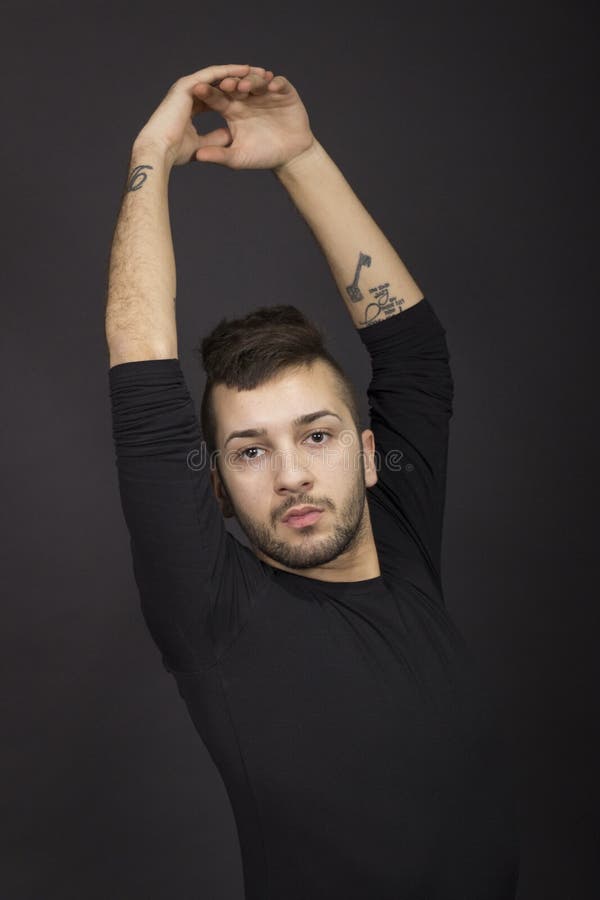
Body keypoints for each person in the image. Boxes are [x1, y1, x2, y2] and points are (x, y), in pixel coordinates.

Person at [105, 63, 521, 899]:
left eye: (318, 435)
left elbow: (414, 356)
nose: (293, 475)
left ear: (369, 454)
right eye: (250, 451)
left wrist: (299, 154)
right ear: (215, 489)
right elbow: (145, 395)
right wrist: (150, 156)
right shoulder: (216, 616)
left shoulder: (401, 545)